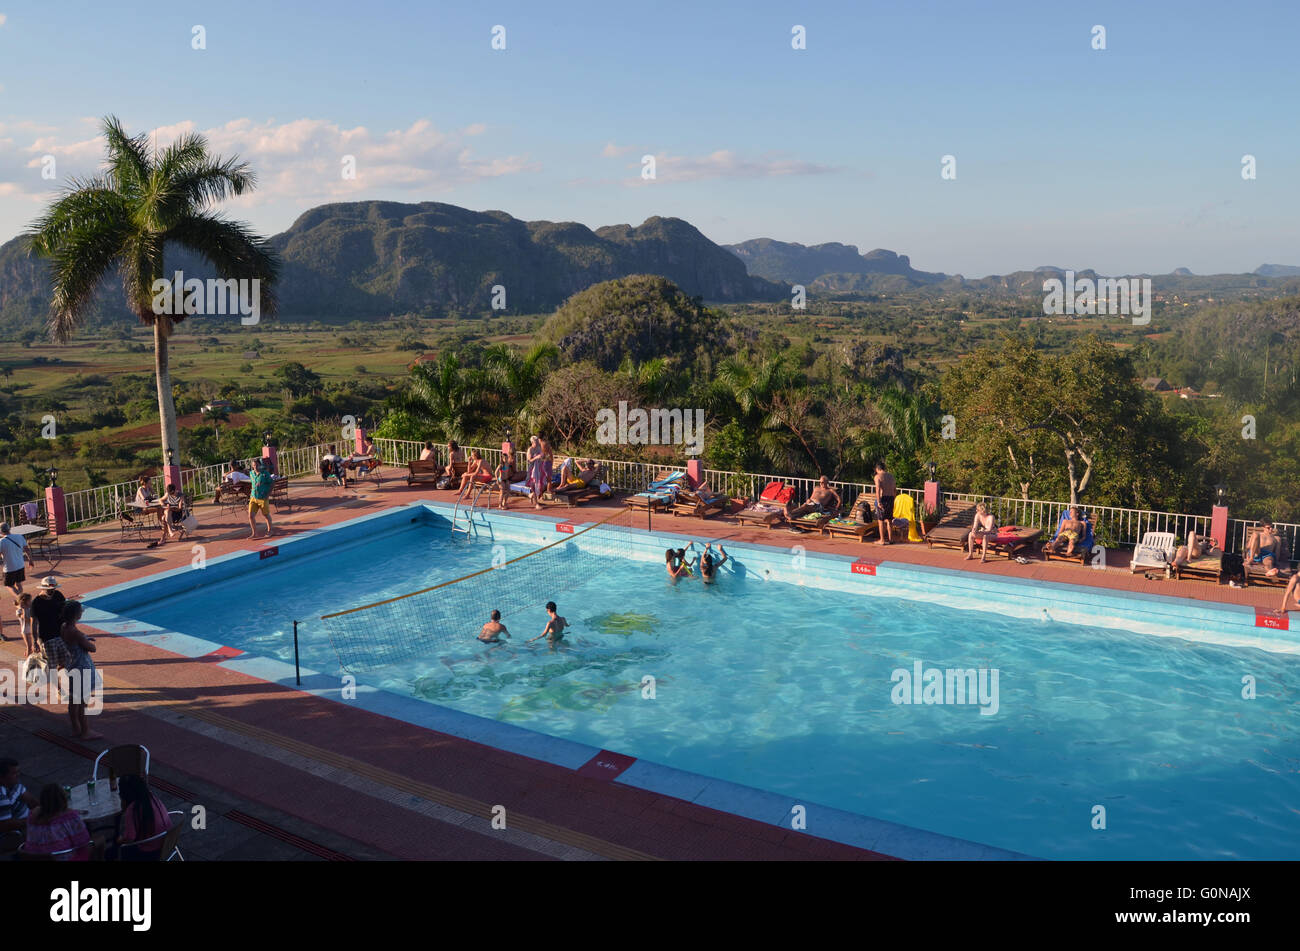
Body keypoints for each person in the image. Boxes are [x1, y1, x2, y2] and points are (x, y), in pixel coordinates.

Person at [60, 600, 101, 741]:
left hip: (72, 666)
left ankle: (75, 728)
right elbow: (92, 648)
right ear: (76, 614)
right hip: (82, 667)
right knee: (82, 703)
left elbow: (75, 639)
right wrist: (85, 640)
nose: (82, 612)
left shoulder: (64, 627)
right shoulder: (75, 632)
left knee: (73, 700)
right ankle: (86, 731)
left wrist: (84, 638)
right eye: (80, 611)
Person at [110, 774, 171, 861]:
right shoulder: (152, 797)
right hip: (166, 845)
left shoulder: (133, 809)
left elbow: (129, 839)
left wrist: (119, 840)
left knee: (110, 852)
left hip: (150, 853)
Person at [23, 783, 91, 859]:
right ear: (63, 799)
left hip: (35, 858)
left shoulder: (32, 816)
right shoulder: (69, 817)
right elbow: (83, 842)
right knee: (96, 841)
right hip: (65, 858)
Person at [31, 577, 70, 673]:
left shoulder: (58, 595)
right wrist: (35, 641)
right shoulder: (36, 602)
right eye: (49, 590)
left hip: (60, 634)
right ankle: (54, 682)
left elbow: (65, 610)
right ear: (42, 588)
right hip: (47, 638)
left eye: (53, 589)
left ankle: (62, 678)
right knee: (52, 665)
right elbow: (34, 623)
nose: (52, 591)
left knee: (66, 660)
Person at [0, 758, 39, 835]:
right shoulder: (1, 797)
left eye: (18, 772)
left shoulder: (14, 784)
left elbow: (31, 801)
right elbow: (5, 825)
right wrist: (34, 819)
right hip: (17, 830)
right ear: (1, 777)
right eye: (14, 773)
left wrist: (46, 810)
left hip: (29, 820)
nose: (18, 775)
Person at [1, 522, 34, 600]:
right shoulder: (19, 536)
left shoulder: (1, 541)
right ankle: (21, 601)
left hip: (9, 568)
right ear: (9, 529)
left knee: (9, 585)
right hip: (20, 565)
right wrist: (30, 560)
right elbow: (27, 549)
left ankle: (20, 600)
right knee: (18, 583)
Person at [147, 483, 186, 549]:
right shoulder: (168, 494)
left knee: (164, 517)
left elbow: (179, 508)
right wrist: (163, 505)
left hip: (177, 514)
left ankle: (163, 538)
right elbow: (160, 500)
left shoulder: (180, 495)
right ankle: (169, 532)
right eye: (170, 493)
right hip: (169, 514)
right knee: (165, 514)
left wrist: (171, 508)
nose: (171, 495)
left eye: (172, 493)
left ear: (175, 490)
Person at [247, 458, 275, 539]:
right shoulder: (251, 473)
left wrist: (268, 494)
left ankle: (270, 531)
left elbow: (272, 483)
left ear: (260, 465)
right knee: (250, 516)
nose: (255, 467)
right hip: (253, 497)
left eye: (257, 465)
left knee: (266, 515)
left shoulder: (265, 474)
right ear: (252, 466)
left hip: (263, 498)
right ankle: (254, 533)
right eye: (254, 465)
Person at [873, 463, 898, 545]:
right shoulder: (891, 476)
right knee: (889, 520)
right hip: (891, 498)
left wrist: (879, 501)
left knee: (881, 520)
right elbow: (894, 489)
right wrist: (893, 499)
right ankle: (890, 539)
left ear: (877, 469)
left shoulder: (877, 476)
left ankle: (882, 540)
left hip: (883, 499)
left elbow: (878, 489)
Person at [527, 439, 554, 510]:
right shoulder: (531, 450)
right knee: (536, 485)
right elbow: (530, 460)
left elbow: (546, 458)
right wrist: (536, 457)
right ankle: (536, 503)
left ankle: (533, 496)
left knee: (540, 485)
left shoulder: (540, 450)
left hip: (540, 470)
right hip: (535, 470)